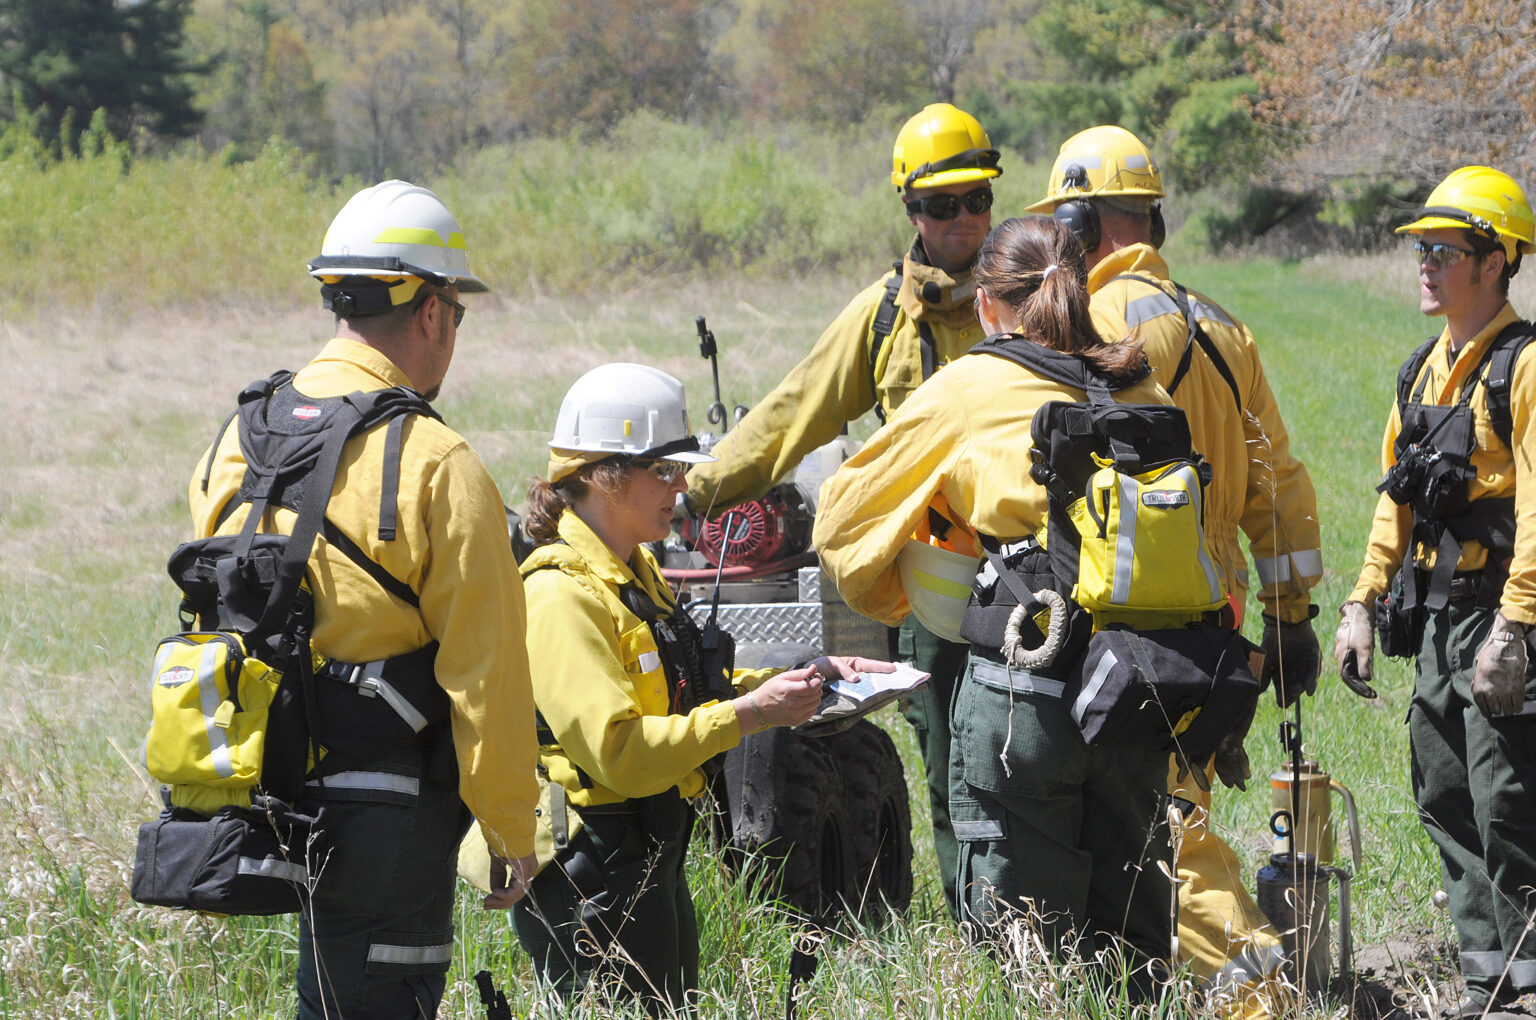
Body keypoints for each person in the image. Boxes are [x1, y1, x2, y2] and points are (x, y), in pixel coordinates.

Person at [187, 180, 541, 1018]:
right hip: (388, 809)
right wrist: (512, 833)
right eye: (457, 314)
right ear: (431, 312)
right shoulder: (436, 460)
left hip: (260, 786)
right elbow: (484, 673)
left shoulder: (240, 436)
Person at [814, 216, 1173, 990]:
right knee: (1140, 955)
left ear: (987, 305)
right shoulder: (1141, 381)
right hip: (1143, 694)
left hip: (1026, 699)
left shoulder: (968, 388)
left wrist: (901, 593)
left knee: (1028, 959)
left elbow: (843, 521)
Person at [1027, 125, 1322, 1014]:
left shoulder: (1100, 326)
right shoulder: (1221, 325)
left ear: (1078, 224)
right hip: (1219, 616)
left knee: (1166, 829)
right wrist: (1291, 614)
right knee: (1172, 811)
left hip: (1135, 619)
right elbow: (1279, 480)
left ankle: (1253, 995)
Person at [683, 101, 1002, 921]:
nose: (963, 220)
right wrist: (691, 493)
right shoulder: (886, 318)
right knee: (951, 765)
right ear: (910, 210)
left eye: (977, 200)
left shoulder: (1032, 299)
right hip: (937, 582)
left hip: (1043, 575)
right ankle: (987, 940)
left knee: (1035, 762)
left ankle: (1058, 935)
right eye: (941, 205)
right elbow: (793, 413)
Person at [512, 362, 893, 1014]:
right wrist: (748, 716)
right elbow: (622, 754)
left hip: (642, 851)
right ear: (606, 473)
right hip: (595, 863)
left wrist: (802, 679)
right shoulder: (561, 594)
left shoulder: (635, 573)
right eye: (665, 470)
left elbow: (689, 687)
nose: (683, 485)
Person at [1335, 166, 1536, 1019]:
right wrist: (1361, 604)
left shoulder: (1523, 368)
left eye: (1444, 251)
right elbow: (1397, 504)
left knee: (1508, 806)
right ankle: (1485, 984)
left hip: (1503, 622)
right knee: (1447, 796)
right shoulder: (1424, 371)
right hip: (1442, 624)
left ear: (1497, 262)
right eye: (1421, 249)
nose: (1424, 264)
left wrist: (1518, 627)